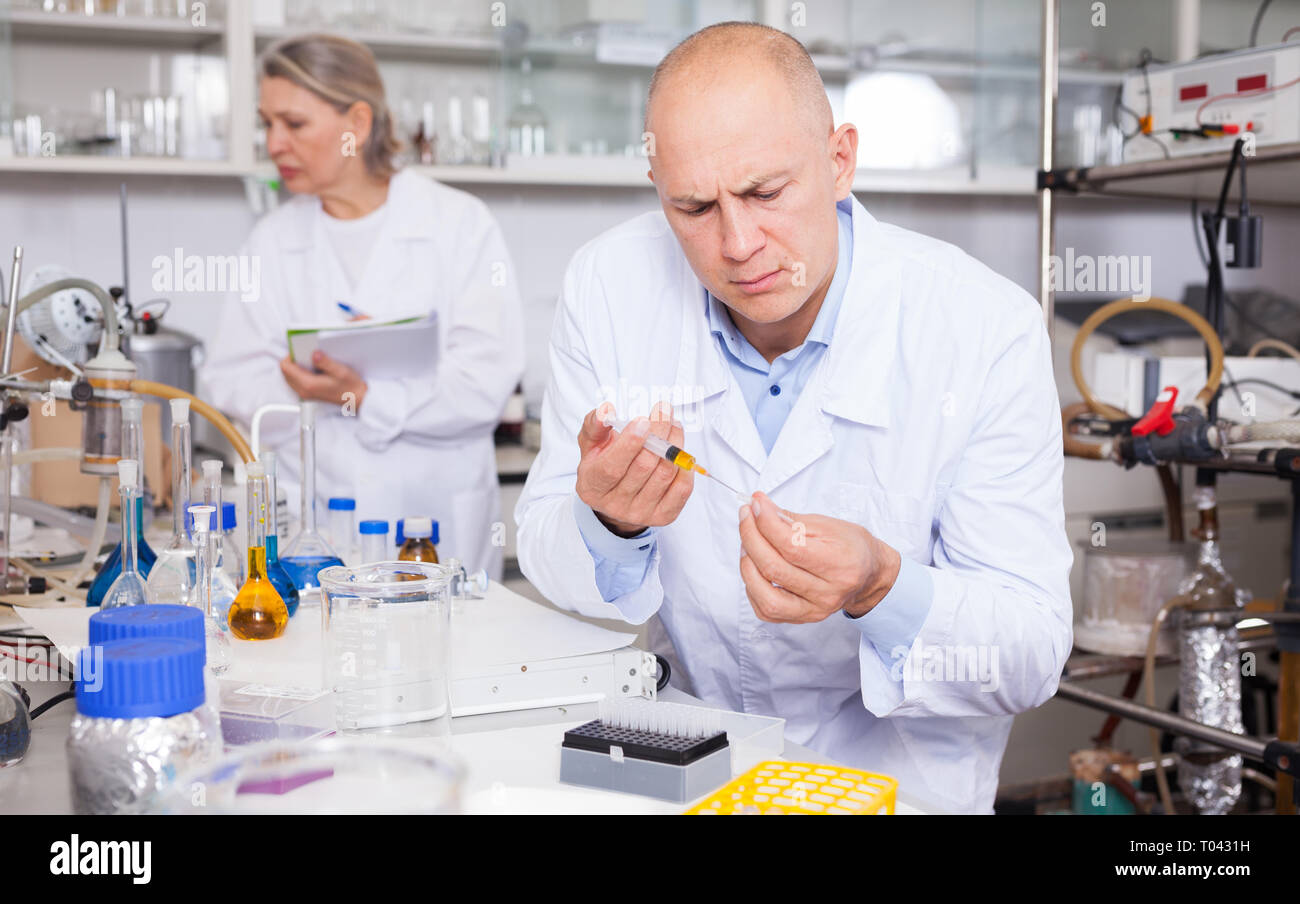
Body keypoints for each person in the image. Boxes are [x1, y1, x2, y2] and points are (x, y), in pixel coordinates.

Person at [516, 22, 1072, 813]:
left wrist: (883, 584)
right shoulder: (609, 285)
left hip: (899, 787)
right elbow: (543, 543)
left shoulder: (983, 328)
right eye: (694, 206)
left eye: (765, 193)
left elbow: (1028, 653)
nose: (738, 245)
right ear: (656, 185)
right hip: (688, 770)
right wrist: (609, 523)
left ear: (840, 160)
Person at [202, 34, 522, 577]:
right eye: (267, 124)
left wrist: (364, 394)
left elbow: (484, 385)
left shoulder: (460, 225)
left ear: (357, 122)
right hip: (316, 538)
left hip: (437, 532)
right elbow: (228, 383)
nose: (275, 143)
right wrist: (309, 387)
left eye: (294, 124)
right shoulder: (273, 241)